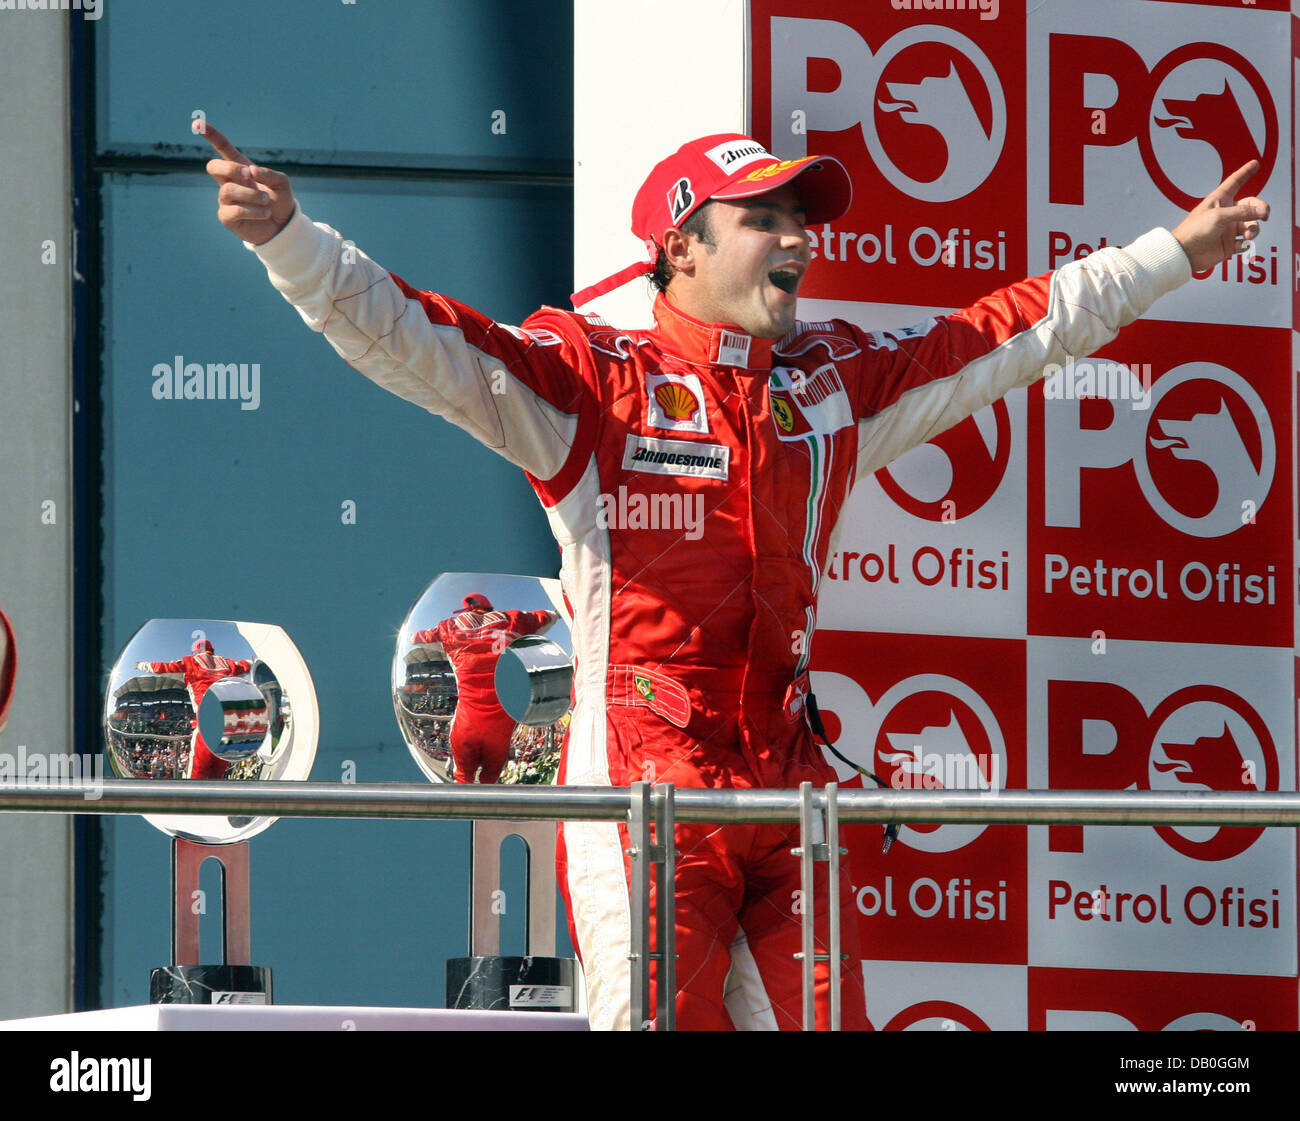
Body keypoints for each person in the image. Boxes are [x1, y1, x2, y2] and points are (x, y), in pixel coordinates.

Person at [202, 123, 1267, 1030]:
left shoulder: (834, 386)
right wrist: (292, 243)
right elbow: (414, 338)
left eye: (803, 217)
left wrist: (1170, 252)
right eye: (765, 217)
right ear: (680, 244)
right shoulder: (594, 382)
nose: (800, 237)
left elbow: (1011, 332)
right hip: (645, 781)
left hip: (789, 780)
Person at [411, 594, 558, 784]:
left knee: (463, 778)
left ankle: (465, 812)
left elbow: (416, 638)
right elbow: (549, 615)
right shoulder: (516, 619)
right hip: (501, 724)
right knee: (491, 781)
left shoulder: (450, 625)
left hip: (467, 721)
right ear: (490, 607)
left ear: (468, 609)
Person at [137, 637, 252, 779]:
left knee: (195, 779)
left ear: (195, 652)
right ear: (212, 650)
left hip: (208, 725)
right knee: (217, 777)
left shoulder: (190, 662)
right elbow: (246, 665)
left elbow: (162, 668)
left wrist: (140, 665)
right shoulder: (228, 663)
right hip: (231, 727)